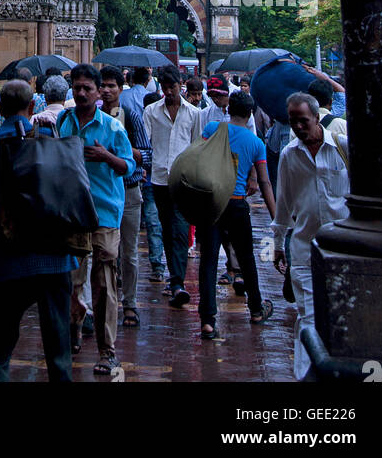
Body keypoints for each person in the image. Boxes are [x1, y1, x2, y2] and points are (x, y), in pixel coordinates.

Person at [0, 78, 77, 382]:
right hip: (55, 259)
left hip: (6, 261)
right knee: (59, 352)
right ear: (32, 106)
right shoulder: (52, 140)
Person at [58, 64, 134, 378]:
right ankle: (74, 329)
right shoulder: (63, 123)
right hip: (72, 213)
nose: (81, 93)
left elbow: (128, 167)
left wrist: (106, 156)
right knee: (72, 281)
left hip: (104, 214)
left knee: (103, 283)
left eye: (87, 88)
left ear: (99, 90)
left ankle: (107, 351)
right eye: (77, 87)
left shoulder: (112, 128)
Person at [272, 92, 350, 380]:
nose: (299, 127)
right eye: (293, 122)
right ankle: (306, 376)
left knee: (338, 318)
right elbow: (284, 203)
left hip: (343, 251)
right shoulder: (289, 155)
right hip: (305, 250)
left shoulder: (342, 147)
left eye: (303, 121)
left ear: (317, 118)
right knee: (308, 316)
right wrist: (279, 243)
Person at [196, 92, 276, 338]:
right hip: (237, 203)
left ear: (228, 109)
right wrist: (276, 218)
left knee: (208, 260)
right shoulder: (255, 143)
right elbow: (264, 181)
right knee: (247, 258)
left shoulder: (211, 129)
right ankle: (255, 309)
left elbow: (198, 157)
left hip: (211, 203)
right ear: (250, 113)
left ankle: (208, 320)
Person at [144, 65, 203, 308]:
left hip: (183, 180)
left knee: (180, 228)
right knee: (166, 227)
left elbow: (197, 146)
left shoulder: (193, 114)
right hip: (158, 178)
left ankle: (177, 282)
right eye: (165, 88)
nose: (169, 92)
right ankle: (173, 277)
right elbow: (146, 143)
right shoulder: (151, 111)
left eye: (173, 88)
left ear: (181, 86)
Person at [99, 66, 145, 329]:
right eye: (103, 86)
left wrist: (124, 148)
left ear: (121, 88)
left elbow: (146, 155)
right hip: (101, 191)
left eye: (111, 86)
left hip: (128, 190)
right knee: (105, 251)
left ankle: (130, 303)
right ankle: (105, 302)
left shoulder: (131, 117)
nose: (106, 90)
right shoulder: (92, 117)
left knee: (129, 252)